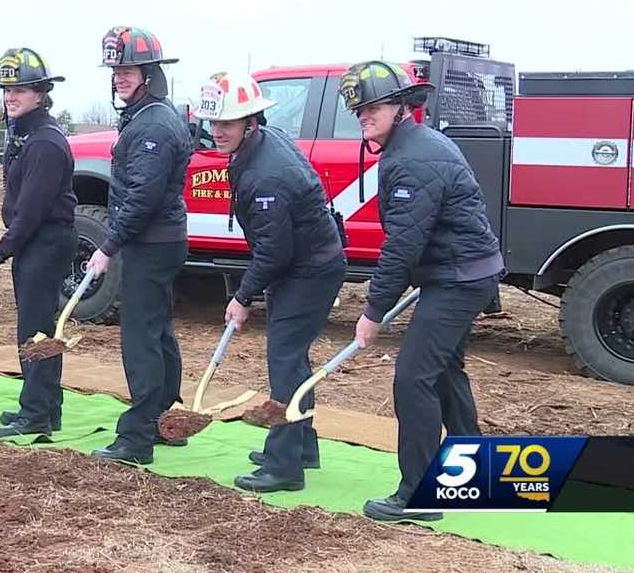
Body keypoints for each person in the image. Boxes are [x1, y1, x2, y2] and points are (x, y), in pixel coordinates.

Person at [339, 61, 504, 522]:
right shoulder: (411, 146)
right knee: (445, 371)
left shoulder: (414, 157)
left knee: (413, 379)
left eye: (373, 107)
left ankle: (418, 492)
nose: (364, 116)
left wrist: (372, 310)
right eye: (359, 109)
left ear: (401, 106)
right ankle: (476, 475)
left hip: (458, 278)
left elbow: (404, 245)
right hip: (461, 272)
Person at [193, 72, 346, 492]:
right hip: (306, 262)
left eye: (228, 123)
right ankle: (301, 446)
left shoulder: (267, 176)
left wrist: (242, 297)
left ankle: (283, 467)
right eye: (214, 123)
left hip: (309, 270)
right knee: (292, 358)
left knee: (284, 361)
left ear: (251, 122)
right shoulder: (262, 143)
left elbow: (273, 253)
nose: (218, 132)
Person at [86, 26, 192, 465]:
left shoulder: (154, 125)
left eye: (127, 70)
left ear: (150, 73)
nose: (119, 78)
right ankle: (168, 420)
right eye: (116, 70)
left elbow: (142, 196)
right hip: (161, 240)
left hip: (152, 242)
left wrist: (108, 245)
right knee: (158, 330)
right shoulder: (148, 116)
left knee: (140, 337)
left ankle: (137, 437)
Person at [0, 48, 77, 438]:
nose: (10, 96)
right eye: (6, 89)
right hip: (35, 242)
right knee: (38, 329)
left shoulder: (45, 143)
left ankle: (36, 413)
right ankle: (44, 406)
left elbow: (31, 211)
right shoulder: (26, 135)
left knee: (34, 332)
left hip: (45, 242)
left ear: (40, 93)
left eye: (19, 89)